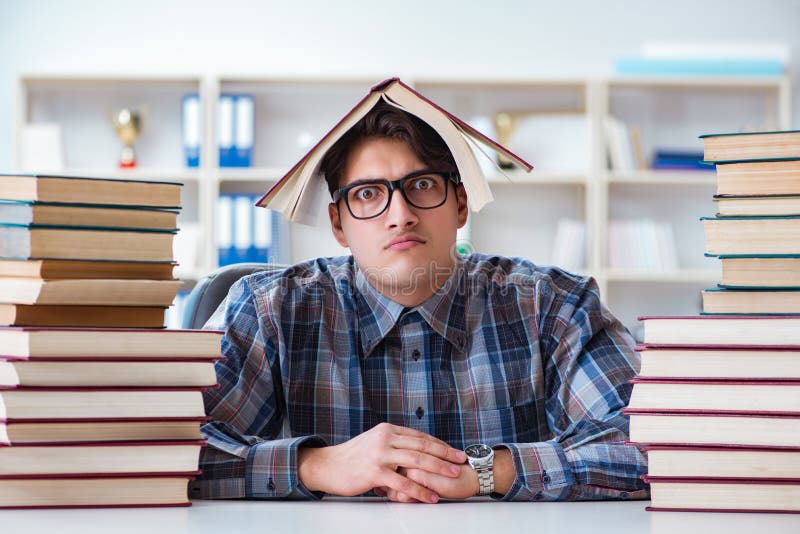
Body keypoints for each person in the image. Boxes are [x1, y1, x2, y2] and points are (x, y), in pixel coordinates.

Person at [190, 101, 648, 503]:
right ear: (337, 223)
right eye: (368, 194)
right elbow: (173, 445)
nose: (401, 215)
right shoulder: (270, 308)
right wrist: (317, 465)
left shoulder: (554, 306)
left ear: (461, 204)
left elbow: (652, 444)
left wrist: (485, 472)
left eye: (423, 185)